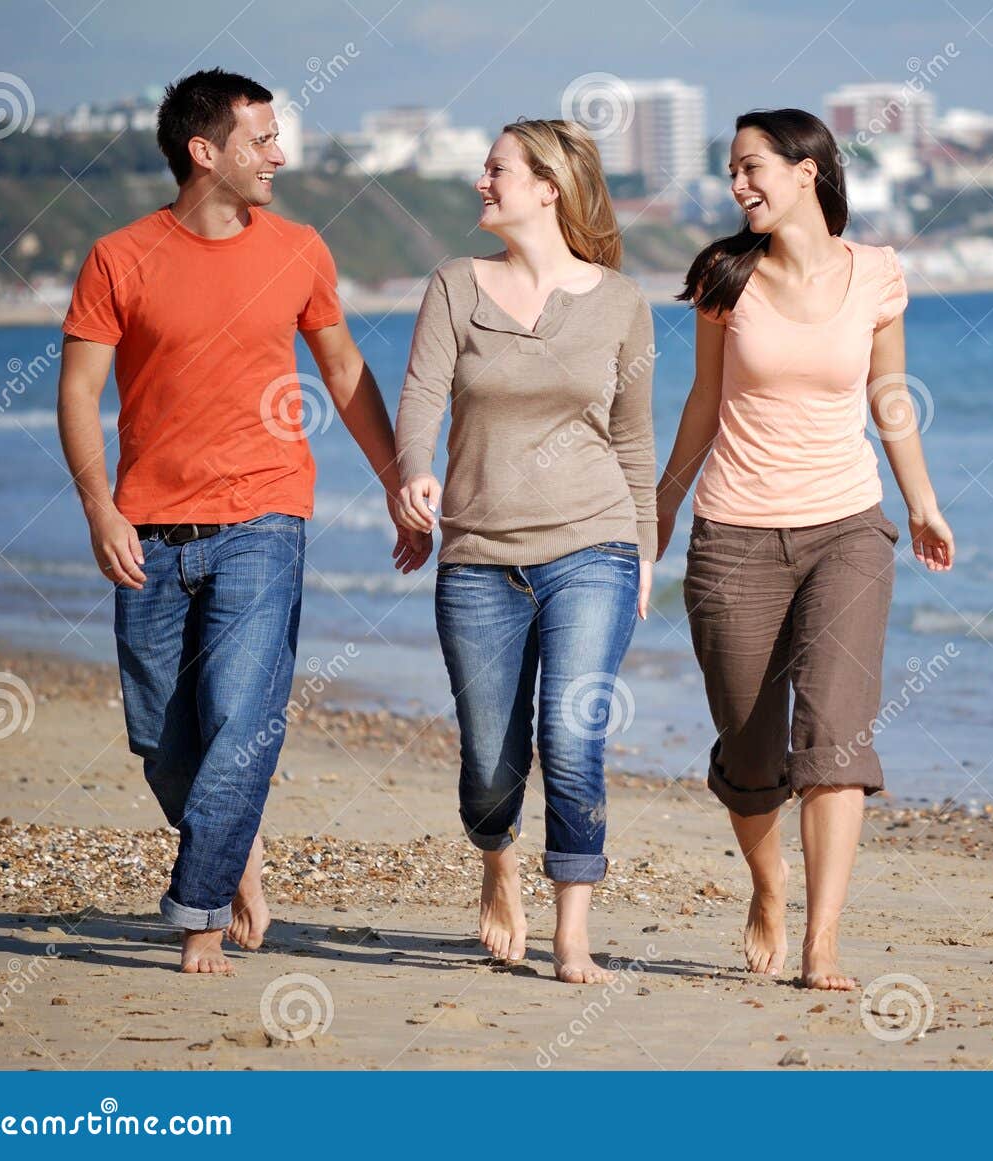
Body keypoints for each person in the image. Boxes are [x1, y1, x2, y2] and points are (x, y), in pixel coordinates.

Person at [57, 67, 428, 974]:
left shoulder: (299, 248)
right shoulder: (119, 255)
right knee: (161, 735)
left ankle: (199, 911)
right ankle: (233, 853)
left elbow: (343, 373)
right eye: (260, 139)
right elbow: (78, 389)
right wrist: (101, 507)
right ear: (204, 151)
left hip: (266, 515)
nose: (279, 154)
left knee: (243, 718)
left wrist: (394, 480)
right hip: (148, 526)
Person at [657, 108, 956, 990]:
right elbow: (704, 404)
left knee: (834, 736)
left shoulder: (877, 274)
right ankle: (769, 885)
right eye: (731, 170)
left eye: (752, 166)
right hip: (734, 534)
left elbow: (889, 396)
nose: (738, 184)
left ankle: (823, 940)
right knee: (752, 752)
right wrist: (663, 509)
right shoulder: (724, 275)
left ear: (807, 171)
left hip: (847, 529)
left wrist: (924, 503)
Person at [393, 119, 656, 985]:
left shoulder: (620, 302)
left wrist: (645, 549)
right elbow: (424, 395)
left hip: (594, 544)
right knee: (489, 763)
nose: (481, 181)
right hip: (477, 556)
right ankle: (497, 860)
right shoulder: (454, 285)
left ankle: (572, 929)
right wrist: (413, 476)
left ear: (548, 186)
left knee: (573, 737)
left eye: (495, 168)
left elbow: (633, 439)